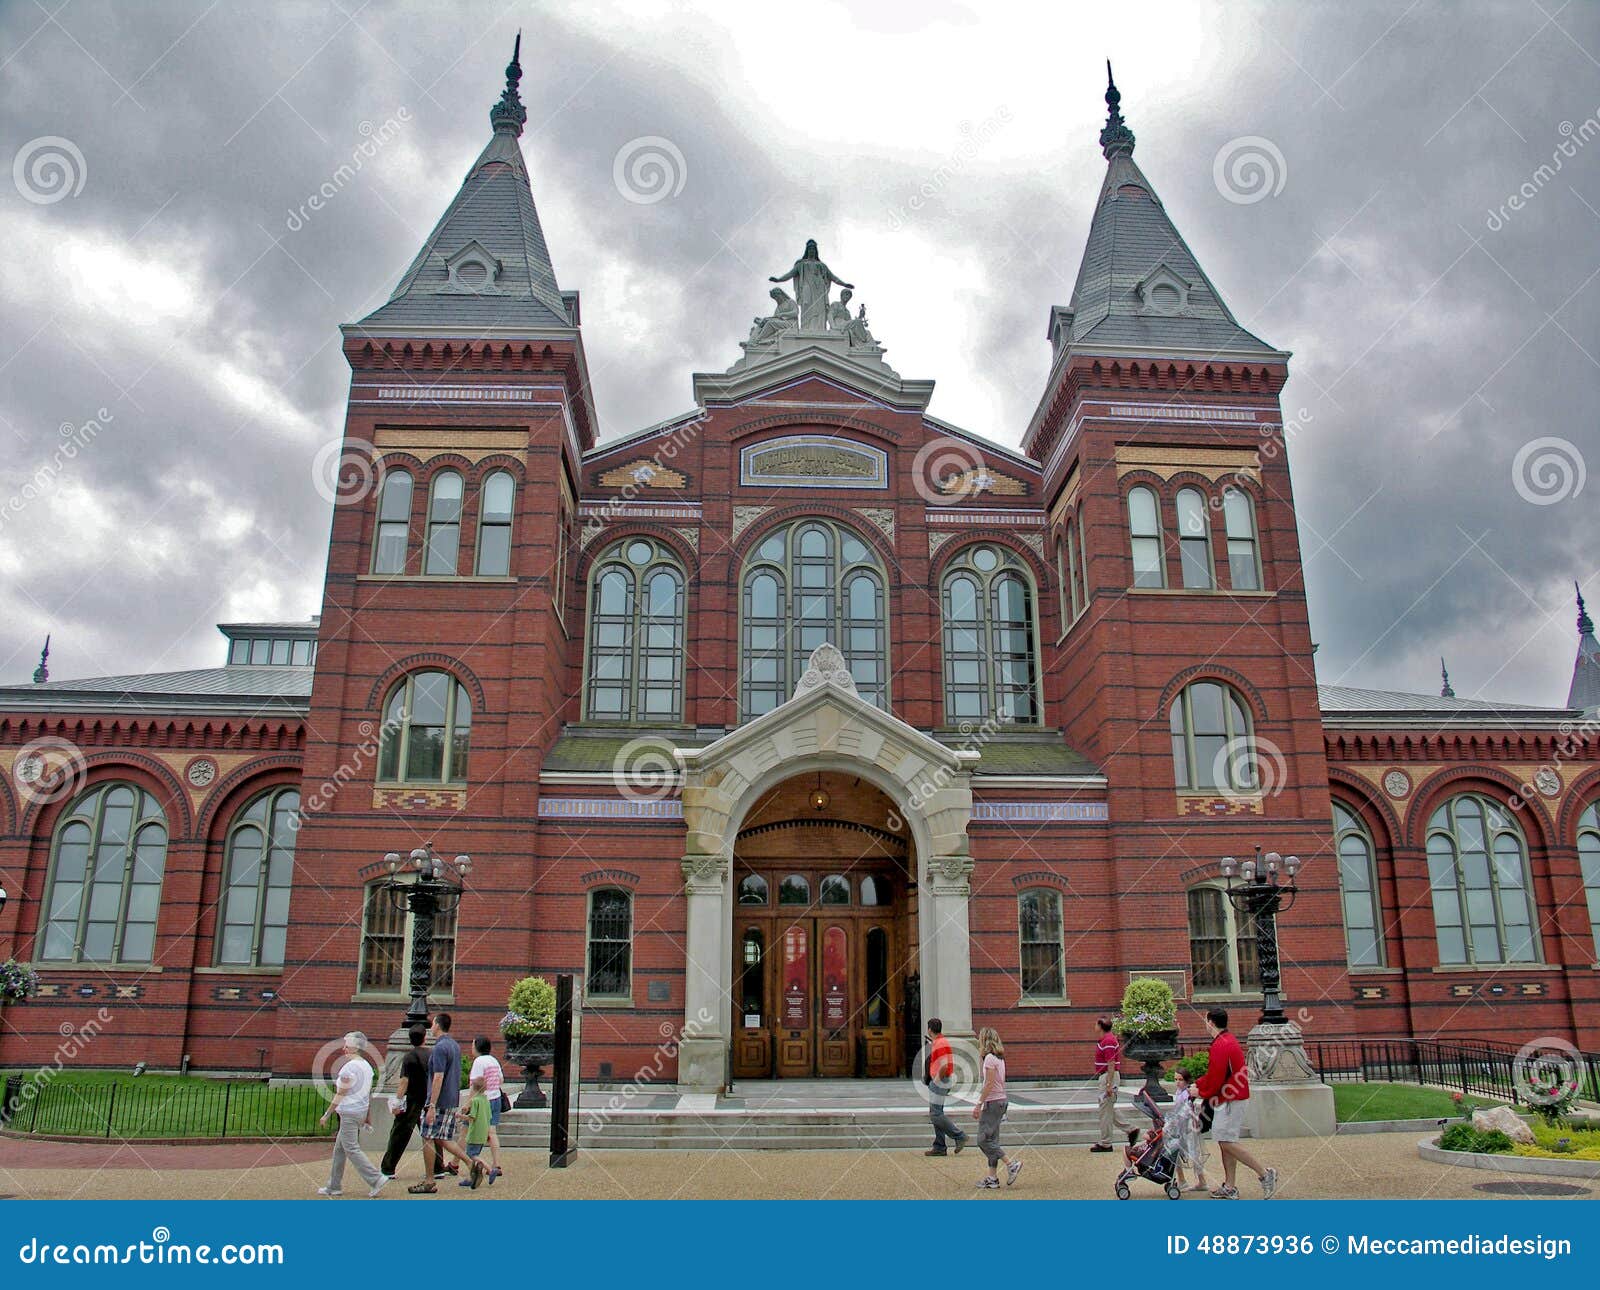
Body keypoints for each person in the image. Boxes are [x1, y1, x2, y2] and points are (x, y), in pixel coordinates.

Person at [1194, 1007, 1278, 1199]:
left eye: (1206, 1020)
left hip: (1231, 1098)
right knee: (1226, 1142)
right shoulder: (1226, 1041)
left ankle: (1265, 1174)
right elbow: (1217, 1074)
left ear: (1211, 1022)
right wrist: (1199, 1084)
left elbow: (1217, 1077)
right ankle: (1230, 1185)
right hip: (1231, 1096)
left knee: (1226, 1141)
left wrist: (1200, 1091)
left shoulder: (1221, 1044)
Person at [411, 1012, 481, 1194]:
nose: (431, 1027)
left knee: (427, 1137)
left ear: (437, 1025)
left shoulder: (440, 1048)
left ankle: (429, 1180)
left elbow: (438, 1077)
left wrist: (431, 1105)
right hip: (450, 1099)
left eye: (433, 1023)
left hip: (439, 1100)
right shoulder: (454, 1046)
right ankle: (470, 1163)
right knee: (442, 1138)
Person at [317, 1031, 386, 1198]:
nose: (344, 1048)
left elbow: (340, 1093)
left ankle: (375, 1178)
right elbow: (367, 1093)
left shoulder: (349, 1067)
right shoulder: (367, 1067)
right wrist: (367, 1115)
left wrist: (327, 1113)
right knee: (340, 1149)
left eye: (347, 1045)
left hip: (349, 1112)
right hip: (359, 1111)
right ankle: (334, 1185)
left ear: (354, 1048)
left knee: (351, 1148)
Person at [970, 1027, 1021, 1189]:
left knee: (983, 1140)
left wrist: (979, 1103)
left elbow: (989, 1083)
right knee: (992, 1140)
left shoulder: (989, 1059)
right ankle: (992, 1177)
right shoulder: (999, 1058)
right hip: (1001, 1101)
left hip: (993, 1102)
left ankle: (1011, 1164)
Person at [379, 1025, 428, 1182]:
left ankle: (388, 1167)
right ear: (424, 1037)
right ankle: (437, 1167)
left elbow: (404, 1081)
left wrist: (397, 1101)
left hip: (412, 1099)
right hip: (427, 1098)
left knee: (399, 1133)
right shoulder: (431, 1055)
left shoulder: (409, 1057)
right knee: (429, 1134)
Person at [1090, 1016, 1138, 1152]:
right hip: (1106, 1076)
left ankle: (1106, 1143)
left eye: (1096, 1024)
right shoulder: (1106, 1040)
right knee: (1108, 1107)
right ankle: (1131, 1129)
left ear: (1100, 1026)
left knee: (1105, 1110)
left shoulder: (1109, 1041)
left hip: (1108, 1077)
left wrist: (1109, 1084)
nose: (1094, 1026)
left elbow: (1111, 1063)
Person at [922, 1017, 967, 1157]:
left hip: (940, 1081)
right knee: (937, 1112)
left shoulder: (940, 1043)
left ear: (930, 1029)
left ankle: (959, 1136)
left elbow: (944, 1065)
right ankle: (939, 1146)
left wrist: (935, 1081)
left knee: (935, 1114)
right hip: (941, 1080)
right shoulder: (939, 1041)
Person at [469, 1035, 506, 1183]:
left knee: (473, 1133)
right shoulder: (493, 1060)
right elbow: (501, 1079)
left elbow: (475, 1083)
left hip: (484, 1100)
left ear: (477, 1047)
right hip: (496, 1097)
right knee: (492, 1133)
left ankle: (470, 1161)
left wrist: (469, 1103)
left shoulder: (479, 1061)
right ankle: (497, 1164)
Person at [1167, 1068, 1210, 1193]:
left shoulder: (1186, 1093)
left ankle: (1198, 1181)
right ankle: (1183, 1180)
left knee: (1193, 1153)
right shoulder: (1180, 1092)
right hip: (1182, 1126)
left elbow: (1186, 1110)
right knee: (1176, 1152)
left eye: (1180, 1079)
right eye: (1176, 1079)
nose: (1177, 1082)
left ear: (1186, 1080)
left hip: (1188, 1126)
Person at [458, 1072, 492, 1190]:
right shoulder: (486, 1101)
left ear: (473, 1087)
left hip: (475, 1132)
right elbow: (488, 1117)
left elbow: (472, 1117)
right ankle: (471, 1177)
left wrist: (459, 1116)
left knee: (471, 1155)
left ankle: (489, 1169)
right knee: (475, 1153)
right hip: (483, 1132)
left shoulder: (475, 1101)